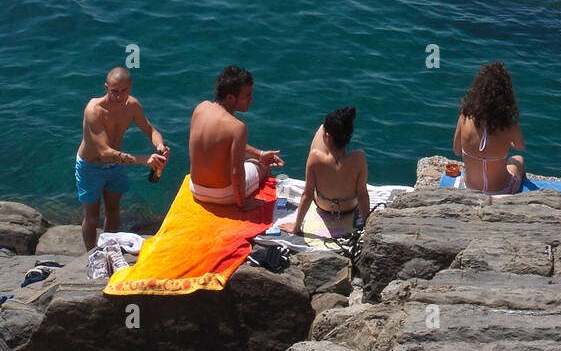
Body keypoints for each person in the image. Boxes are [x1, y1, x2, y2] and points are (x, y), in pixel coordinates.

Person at [76, 67, 169, 249]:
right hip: (91, 166)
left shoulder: (132, 106)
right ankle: (89, 254)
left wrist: (160, 146)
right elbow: (104, 151)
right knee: (92, 217)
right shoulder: (94, 110)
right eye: (114, 92)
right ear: (106, 87)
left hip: (116, 166)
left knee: (113, 211)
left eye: (124, 91)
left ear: (130, 87)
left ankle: (109, 249)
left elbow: (150, 130)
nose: (119, 97)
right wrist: (143, 159)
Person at [188, 66, 283, 208]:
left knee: (257, 159)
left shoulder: (200, 108)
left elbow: (220, 144)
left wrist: (260, 154)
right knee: (262, 166)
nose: (251, 99)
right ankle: (274, 203)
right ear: (230, 97)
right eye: (247, 96)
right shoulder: (237, 127)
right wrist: (243, 204)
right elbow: (236, 174)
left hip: (195, 189)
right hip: (223, 195)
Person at [292, 107, 370, 234]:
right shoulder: (359, 157)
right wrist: (367, 225)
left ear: (327, 137)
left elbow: (307, 195)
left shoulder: (315, 157)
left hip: (324, 206)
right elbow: (362, 195)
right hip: (349, 207)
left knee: (322, 127)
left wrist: (296, 227)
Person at [453, 61, 526, 195]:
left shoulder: (464, 117)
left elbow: (457, 151)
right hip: (502, 191)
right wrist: (505, 141)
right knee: (518, 159)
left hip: (468, 188)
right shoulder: (510, 125)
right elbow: (520, 147)